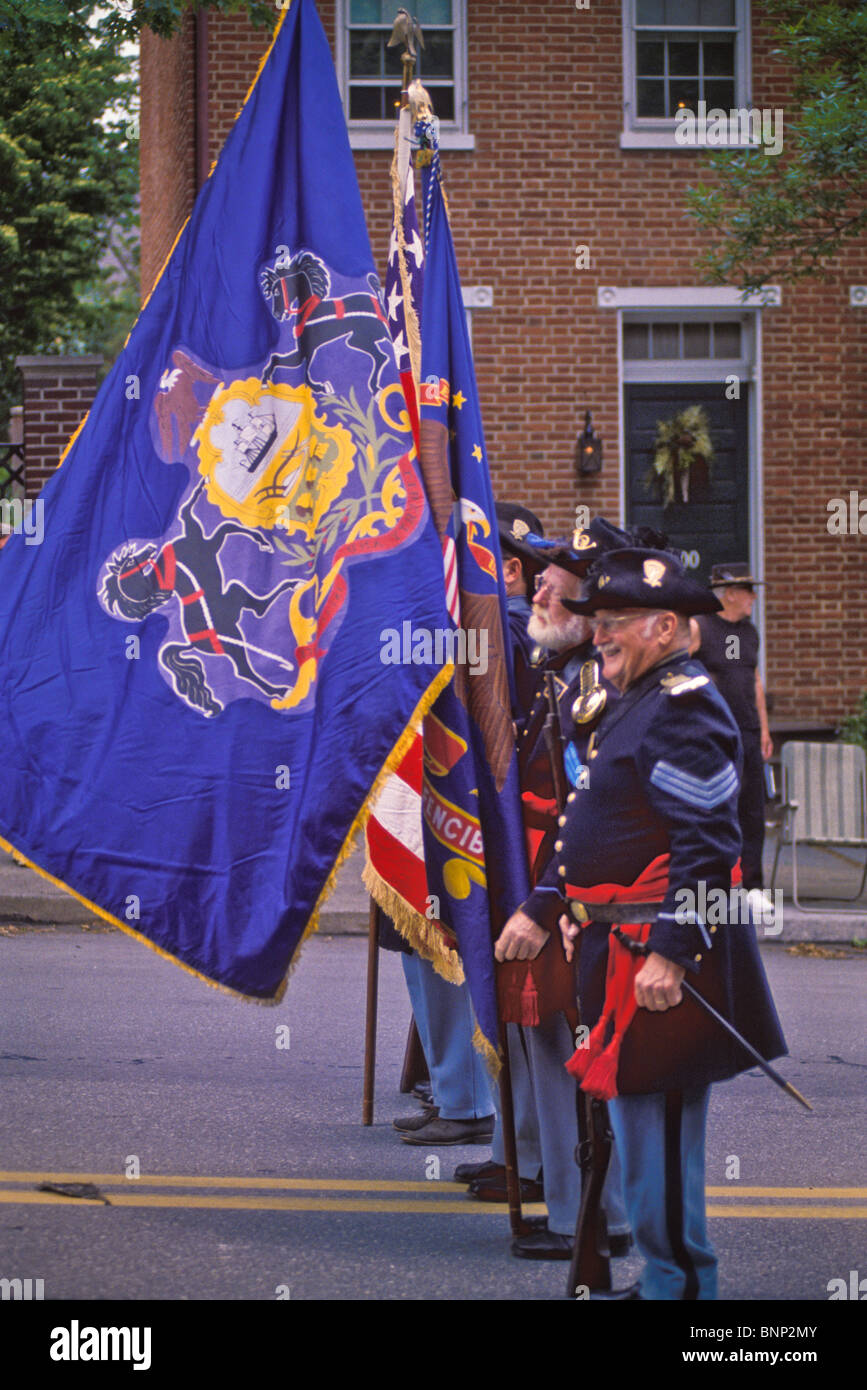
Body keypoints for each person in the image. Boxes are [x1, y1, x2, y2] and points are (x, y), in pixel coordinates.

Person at [494, 546, 786, 1299]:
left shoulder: (683, 705)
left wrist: (674, 953)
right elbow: (590, 818)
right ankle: (663, 1278)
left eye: (615, 621)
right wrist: (548, 904)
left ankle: (680, 1290)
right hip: (612, 945)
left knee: (656, 1145)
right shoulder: (632, 698)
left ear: (664, 626)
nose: (599, 634)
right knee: (634, 1132)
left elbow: (707, 842)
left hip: (657, 959)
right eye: (596, 621)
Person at [458, 518, 632, 1261]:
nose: (543, 585)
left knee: (577, 1062)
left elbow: (590, 815)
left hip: (577, 905)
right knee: (550, 1053)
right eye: (545, 573)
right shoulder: (562, 680)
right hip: (547, 893)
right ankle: (572, 1205)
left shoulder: (601, 694)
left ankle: (594, 1217)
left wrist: (549, 903)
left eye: (562, 580)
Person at [689, 563, 772, 895]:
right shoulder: (701, 627)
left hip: (749, 733)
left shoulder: (750, 632)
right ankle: (719, 883)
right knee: (719, 808)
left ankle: (753, 887)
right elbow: (680, 667)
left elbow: (755, 681)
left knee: (753, 812)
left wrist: (765, 730)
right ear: (731, 593)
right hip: (713, 734)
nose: (753, 597)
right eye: (748, 591)